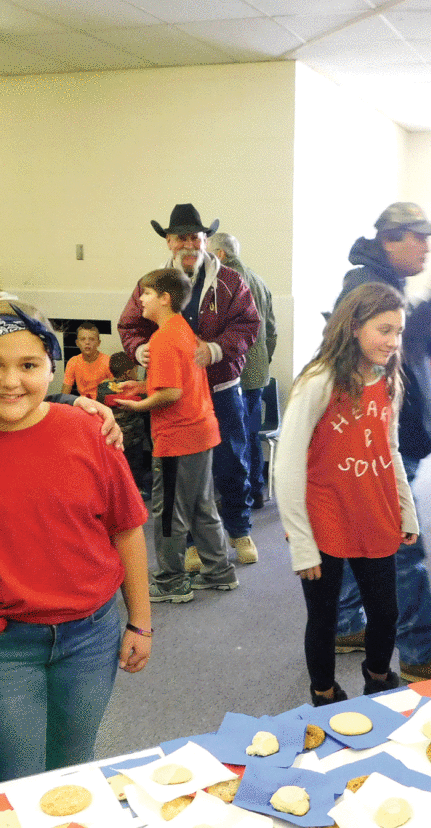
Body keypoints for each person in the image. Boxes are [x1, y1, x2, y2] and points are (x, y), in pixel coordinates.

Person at [0, 300, 150, 785]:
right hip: (0, 644)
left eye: (29, 366)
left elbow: (126, 526)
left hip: (90, 635)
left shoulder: (89, 430)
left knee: (73, 771)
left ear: (51, 369)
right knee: (13, 780)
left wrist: (140, 622)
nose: (11, 381)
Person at [332, 201, 431, 682]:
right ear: (391, 238)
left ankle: (345, 621)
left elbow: (400, 346)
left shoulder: (380, 286)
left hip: (394, 442)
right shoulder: (368, 289)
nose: (427, 248)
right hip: (382, 447)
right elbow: (362, 366)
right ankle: (419, 651)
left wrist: (430, 326)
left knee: (371, 540)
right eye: (419, 238)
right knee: (404, 547)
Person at [276, 283, 416, 704]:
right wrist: (302, 544)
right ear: (354, 327)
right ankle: (324, 692)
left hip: (374, 511)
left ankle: (377, 676)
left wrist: (406, 511)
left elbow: (389, 451)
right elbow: (287, 463)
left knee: (386, 612)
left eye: (399, 332)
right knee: (324, 616)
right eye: (384, 330)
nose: (393, 342)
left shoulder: (389, 379)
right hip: (325, 518)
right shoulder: (319, 380)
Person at [118, 204, 261, 566]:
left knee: (233, 462)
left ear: (205, 240)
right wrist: (141, 352)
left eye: (196, 237)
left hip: (221, 388)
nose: (190, 244)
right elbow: (129, 327)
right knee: (183, 474)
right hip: (173, 396)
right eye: (181, 237)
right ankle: (195, 544)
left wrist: (216, 350)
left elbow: (248, 325)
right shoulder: (149, 285)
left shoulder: (230, 281)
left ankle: (239, 529)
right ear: (168, 242)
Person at [116, 268, 237, 602]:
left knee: (169, 512)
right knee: (201, 505)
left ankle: (172, 581)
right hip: (201, 431)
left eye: (146, 293)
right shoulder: (182, 330)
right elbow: (177, 382)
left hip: (178, 438)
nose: (140, 299)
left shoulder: (164, 337)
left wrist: (138, 406)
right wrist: (142, 386)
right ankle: (219, 571)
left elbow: (169, 393)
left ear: (164, 298)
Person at [207, 231, 277, 510]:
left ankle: (237, 495)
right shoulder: (259, 281)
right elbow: (271, 330)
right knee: (250, 432)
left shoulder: (224, 285)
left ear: (220, 255)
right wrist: (263, 361)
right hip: (257, 371)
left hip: (233, 371)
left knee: (233, 438)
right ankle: (256, 490)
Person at [99, 351, 152, 497]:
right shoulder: (136, 391)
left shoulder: (102, 388)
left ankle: (116, 491)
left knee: (116, 466)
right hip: (134, 439)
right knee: (135, 466)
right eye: (136, 369)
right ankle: (137, 490)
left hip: (114, 438)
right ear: (129, 372)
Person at [63, 321, 112, 399]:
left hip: (104, 403)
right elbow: (65, 392)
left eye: (91, 339)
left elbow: (115, 390)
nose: (87, 342)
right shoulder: (73, 362)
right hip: (84, 403)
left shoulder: (108, 362)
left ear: (98, 343)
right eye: (83, 339)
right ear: (77, 343)